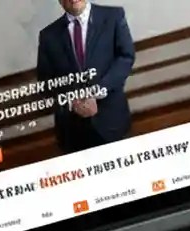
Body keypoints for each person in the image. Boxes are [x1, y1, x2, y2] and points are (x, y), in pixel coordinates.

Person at [36, 1, 136, 153]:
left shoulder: (113, 16)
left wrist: (98, 90)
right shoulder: (48, 36)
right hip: (72, 132)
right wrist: (72, 102)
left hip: (112, 122)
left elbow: (126, 57)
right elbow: (45, 82)